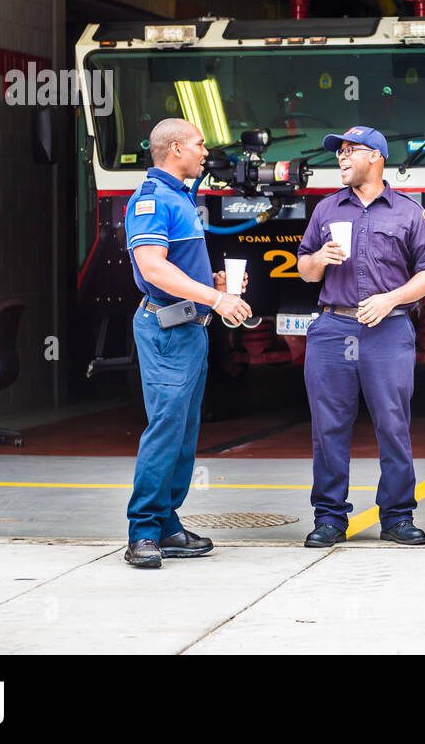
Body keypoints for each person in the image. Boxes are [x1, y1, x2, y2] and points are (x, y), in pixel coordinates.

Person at [296, 125, 425, 547]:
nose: (341, 158)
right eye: (338, 152)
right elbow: (305, 270)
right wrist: (319, 258)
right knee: (328, 427)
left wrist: (390, 300)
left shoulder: (409, 212)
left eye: (350, 151)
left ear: (375, 156)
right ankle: (329, 519)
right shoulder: (326, 209)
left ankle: (397, 517)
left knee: (392, 424)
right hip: (332, 328)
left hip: (388, 329)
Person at [123, 118, 252, 568]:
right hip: (167, 330)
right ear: (176, 149)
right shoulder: (152, 200)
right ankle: (142, 532)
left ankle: (166, 524)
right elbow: (153, 268)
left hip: (189, 328)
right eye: (199, 144)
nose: (205, 152)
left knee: (182, 431)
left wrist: (211, 283)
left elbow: (176, 268)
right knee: (166, 428)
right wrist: (217, 298)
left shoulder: (180, 196)